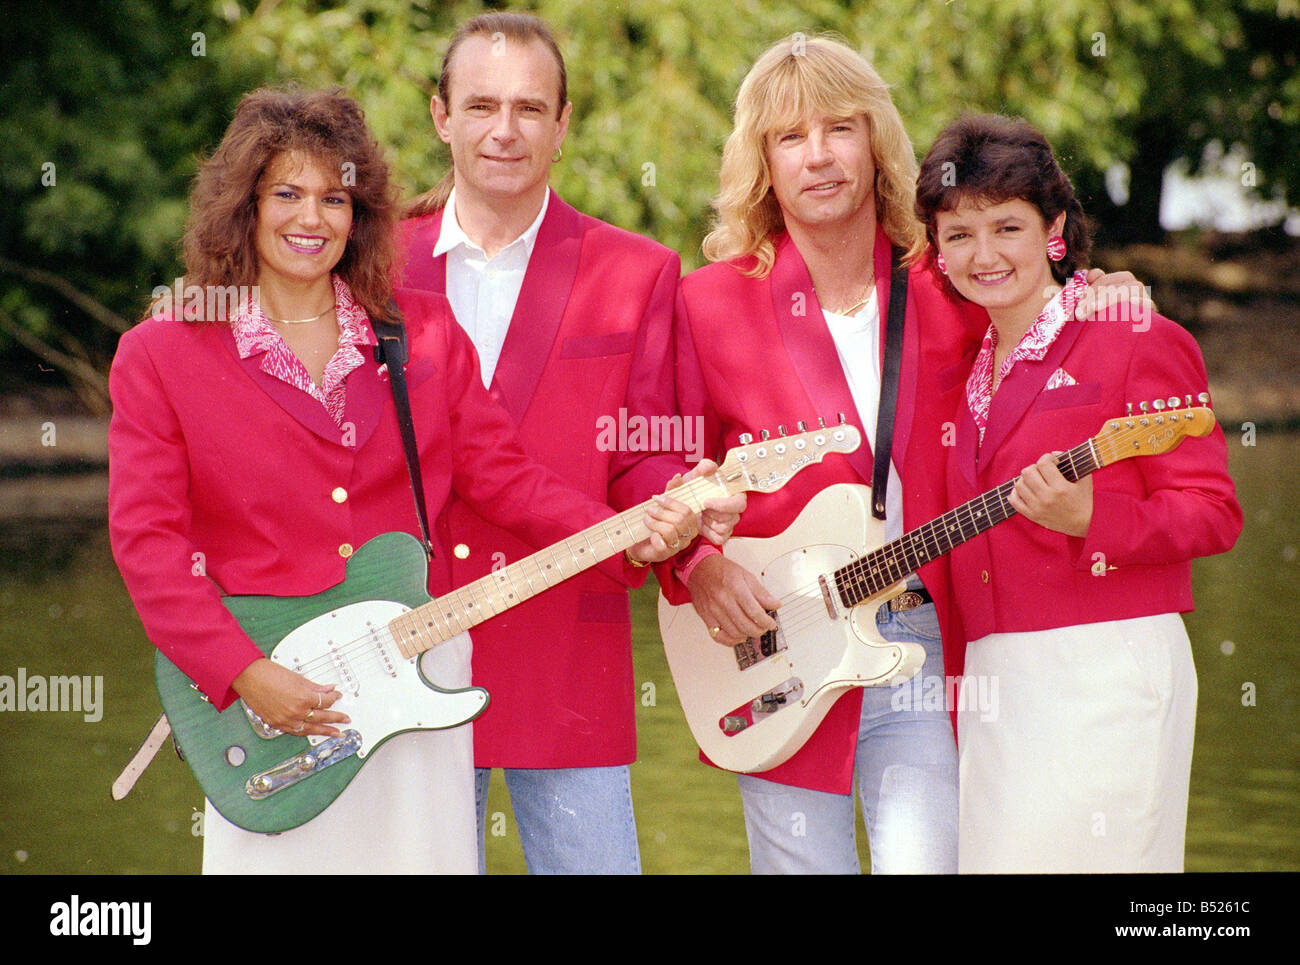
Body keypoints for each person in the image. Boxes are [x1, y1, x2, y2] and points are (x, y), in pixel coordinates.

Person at [107, 86, 711, 875]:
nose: (311, 218)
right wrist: (246, 672)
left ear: (360, 213)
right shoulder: (162, 353)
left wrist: (637, 533)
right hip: (264, 700)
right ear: (243, 205)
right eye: (286, 193)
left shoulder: (422, 330)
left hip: (414, 681)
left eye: (335, 196)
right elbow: (149, 547)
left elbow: (508, 483)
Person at [663, 36, 1149, 874]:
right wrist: (699, 566)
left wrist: (1103, 295)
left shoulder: (953, 279)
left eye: (839, 128)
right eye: (789, 137)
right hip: (778, 635)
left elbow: (1040, 340)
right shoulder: (706, 304)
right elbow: (660, 472)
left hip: (920, 633)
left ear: (875, 140)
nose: (818, 156)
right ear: (761, 161)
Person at [397, 12, 739, 874]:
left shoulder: (636, 272)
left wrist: (671, 517)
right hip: (401, 649)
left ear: (563, 123)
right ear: (442, 115)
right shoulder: (369, 264)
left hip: (567, 646)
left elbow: (649, 448)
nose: (503, 130)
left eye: (527, 108)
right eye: (480, 105)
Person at [912, 113, 1242, 873]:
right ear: (937, 249)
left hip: (1104, 675)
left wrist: (1093, 515)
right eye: (958, 234)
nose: (984, 254)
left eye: (1008, 227)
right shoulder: (971, 363)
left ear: (1054, 229)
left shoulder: (1131, 335)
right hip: (994, 681)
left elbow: (1214, 510)